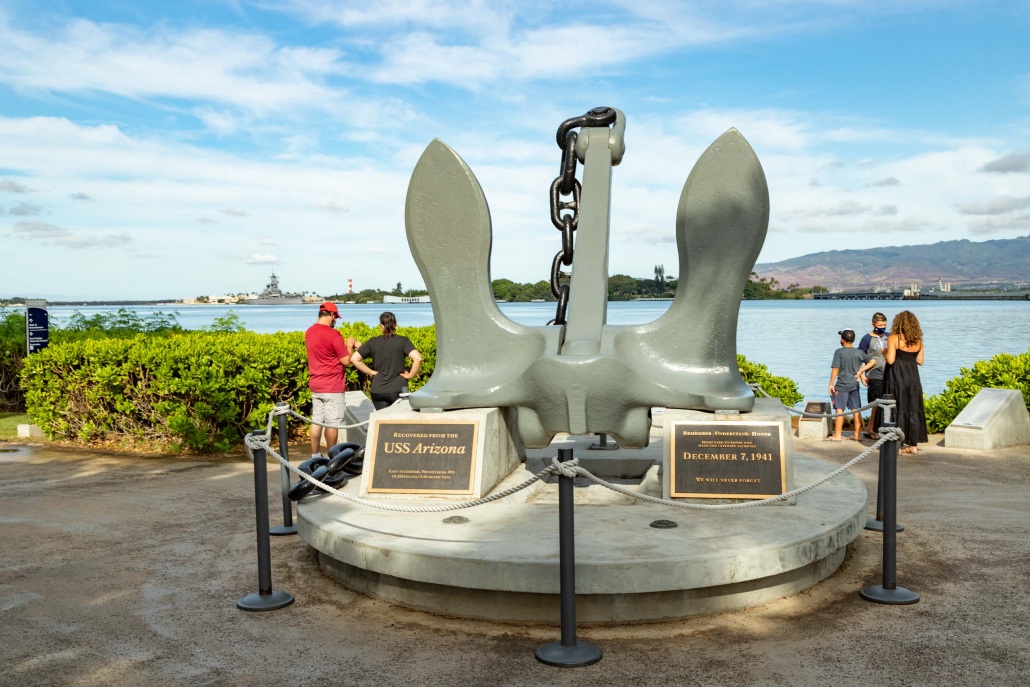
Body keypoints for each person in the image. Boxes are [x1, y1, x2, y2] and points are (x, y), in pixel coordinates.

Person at [305, 301, 358, 458]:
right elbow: (346, 361)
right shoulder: (333, 334)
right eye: (335, 318)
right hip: (332, 385)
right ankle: (332, 458)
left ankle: (315, 455)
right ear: (332, 315)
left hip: (316, 384)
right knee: (332, 424)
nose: (335, 321)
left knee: (317, 420)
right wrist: (350, 345)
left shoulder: (309, 332)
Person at [350, 311, 423, 410]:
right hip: (398, 389)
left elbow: (354, 359)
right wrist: (410, 375)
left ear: (381, 326)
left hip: (378, 389)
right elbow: (418, 358)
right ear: (396, 325)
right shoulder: (403, 341)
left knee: (383, 421)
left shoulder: (373, 342)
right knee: (398, 421)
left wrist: (371, 372)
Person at [881, 310, 928, 454]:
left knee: (897, 407)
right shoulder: (918, 340)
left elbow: (890, 360)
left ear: (898, 323)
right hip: (913, 377)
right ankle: (912, 445)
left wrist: (884, 352)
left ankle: (897, 445)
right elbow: (920, 361)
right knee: (913, 408)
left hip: (896, 376)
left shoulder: (894, 338)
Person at [827, 328, 871, 442]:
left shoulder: (839, 352)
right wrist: (861, 372)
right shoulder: (859, 352)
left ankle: (837, 435)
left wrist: (831, 383)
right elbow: (873, 361)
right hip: (854, 385)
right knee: (856, 409)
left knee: (839, 409)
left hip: (842, 385)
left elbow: (835, 369)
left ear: (842, 340)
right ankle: (858, 435)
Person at [857, 312, 890, 439]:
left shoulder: (888, 336)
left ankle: (877, 427)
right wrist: (861, 375)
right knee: (876, 403)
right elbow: (858, 358)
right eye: (880, 325)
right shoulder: (866, 339)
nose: (883, 327)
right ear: (873, 324)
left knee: (886, 402)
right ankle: (872, 429)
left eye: (885, 325)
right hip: (874, 374)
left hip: (888, 373)